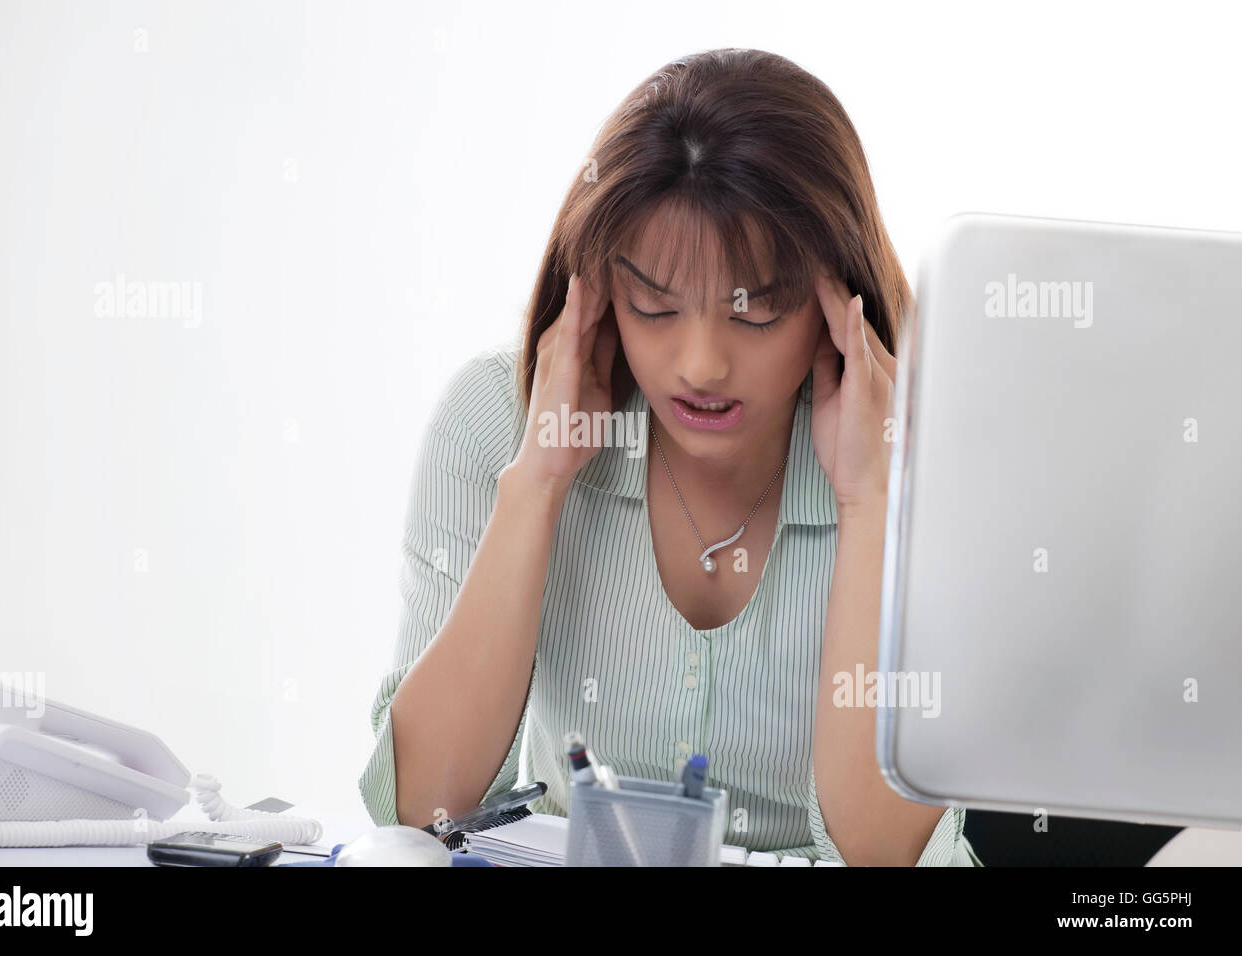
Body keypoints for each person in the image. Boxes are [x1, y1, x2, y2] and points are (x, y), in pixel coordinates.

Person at [358, 47, 981, 865]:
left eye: (754, 312)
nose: (700, 365)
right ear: (600, 292)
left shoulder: (923, 460)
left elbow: (883, 857)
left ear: (838, 297)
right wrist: (538, 484)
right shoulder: (493, 423)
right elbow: (417, 816)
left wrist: (871, 505)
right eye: (654, 306)